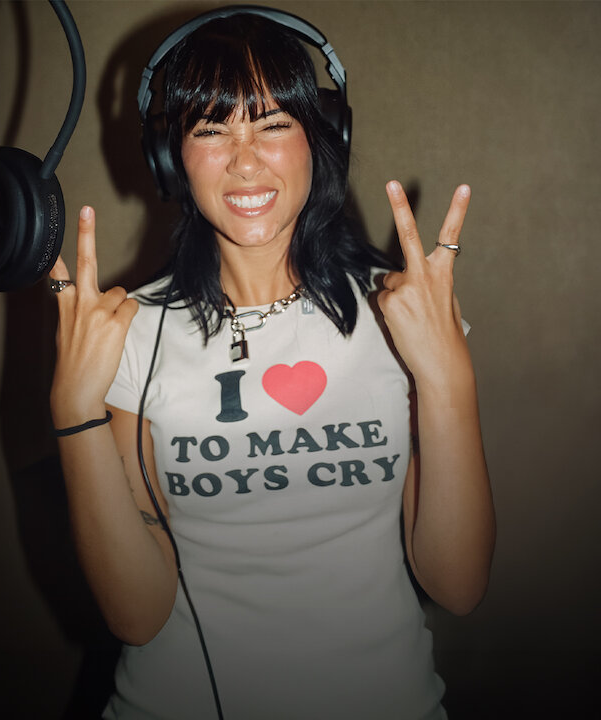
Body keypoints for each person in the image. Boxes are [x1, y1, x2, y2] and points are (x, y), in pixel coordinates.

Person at [46, 10, 494, 720]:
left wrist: (447, 377)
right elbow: (137, 614)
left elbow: (458, 584)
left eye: (273, 123)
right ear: (170, 157)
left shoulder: (406, 315)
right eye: (210, 129)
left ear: (323, 137)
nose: (244, 160)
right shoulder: (128, 334)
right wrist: (75, 410)